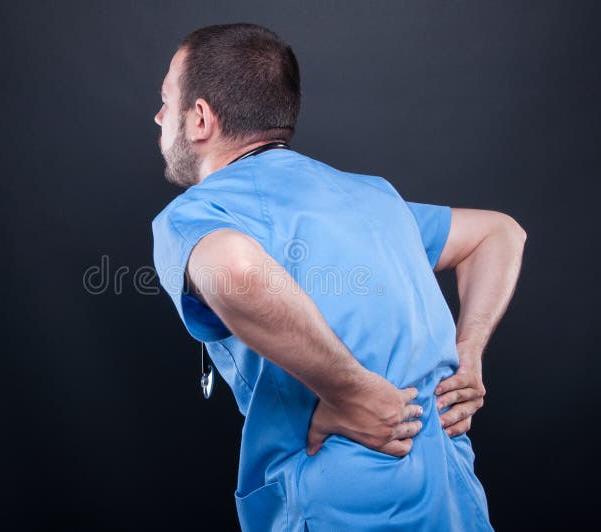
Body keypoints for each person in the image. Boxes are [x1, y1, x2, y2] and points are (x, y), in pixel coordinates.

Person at [151, 23, 526, 532]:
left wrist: (350, 393)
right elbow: (500, 234)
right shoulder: (372, 196)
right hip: (452, 500)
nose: (158, 115)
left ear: (200, 119)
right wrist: (470, 350)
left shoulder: (198, 212)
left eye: (166, 100)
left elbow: (237, 273)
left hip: (341, 505)